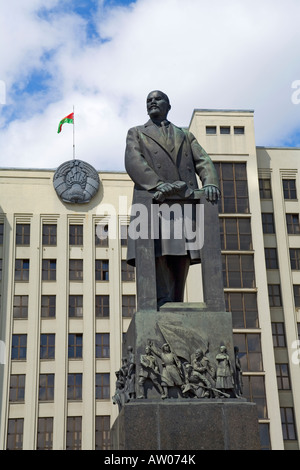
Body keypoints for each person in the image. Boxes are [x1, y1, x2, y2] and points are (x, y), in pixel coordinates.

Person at [125, 90, 221, 307]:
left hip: (184, 204)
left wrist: (210, 183)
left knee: (182, 253)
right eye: (148, 100)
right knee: (158, 251)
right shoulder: (137, 133)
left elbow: (203, 161)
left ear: (168, 105)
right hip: (154, 203)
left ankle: (175, 300)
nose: (152, 102)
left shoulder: (184, 134)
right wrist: (159, 185)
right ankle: (161, 300)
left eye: (157, 99)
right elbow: (134, 161)